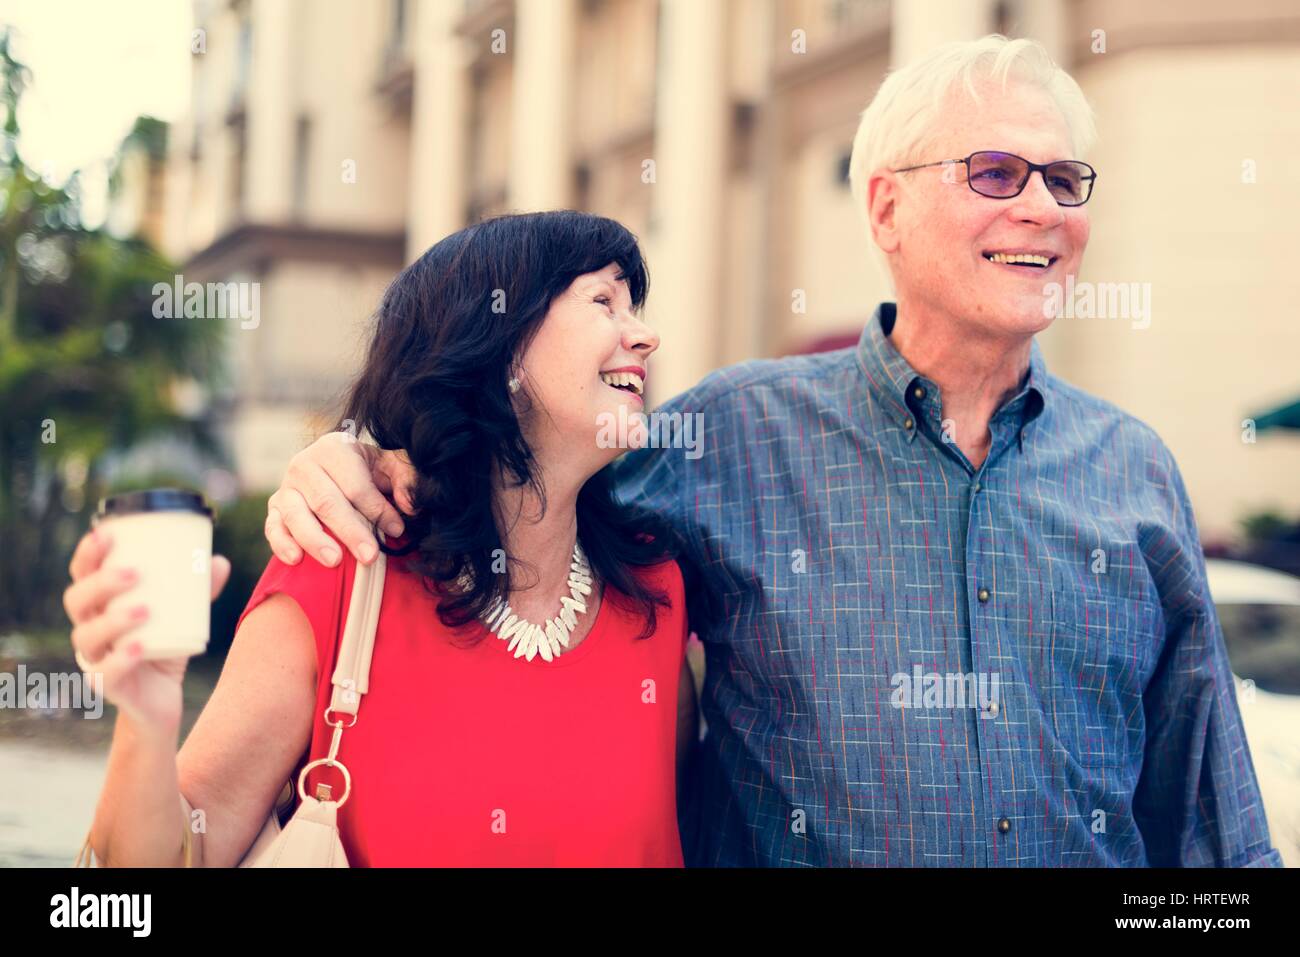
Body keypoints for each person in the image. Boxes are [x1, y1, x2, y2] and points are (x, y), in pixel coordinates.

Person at [263, 36, 1283, 867]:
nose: (1043, 209)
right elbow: (517, 468)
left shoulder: (1131, 468)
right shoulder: (729, 439)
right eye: (997, 172)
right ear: (884, 206)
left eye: (1066, 180)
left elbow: (1205, 814)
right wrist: (356, 454)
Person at [65, 211, 698, 866]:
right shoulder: (340, 567)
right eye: (605, 301)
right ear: (497, 338)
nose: (645, 336)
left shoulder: (657, 592)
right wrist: (144, 719)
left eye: (635, 308)